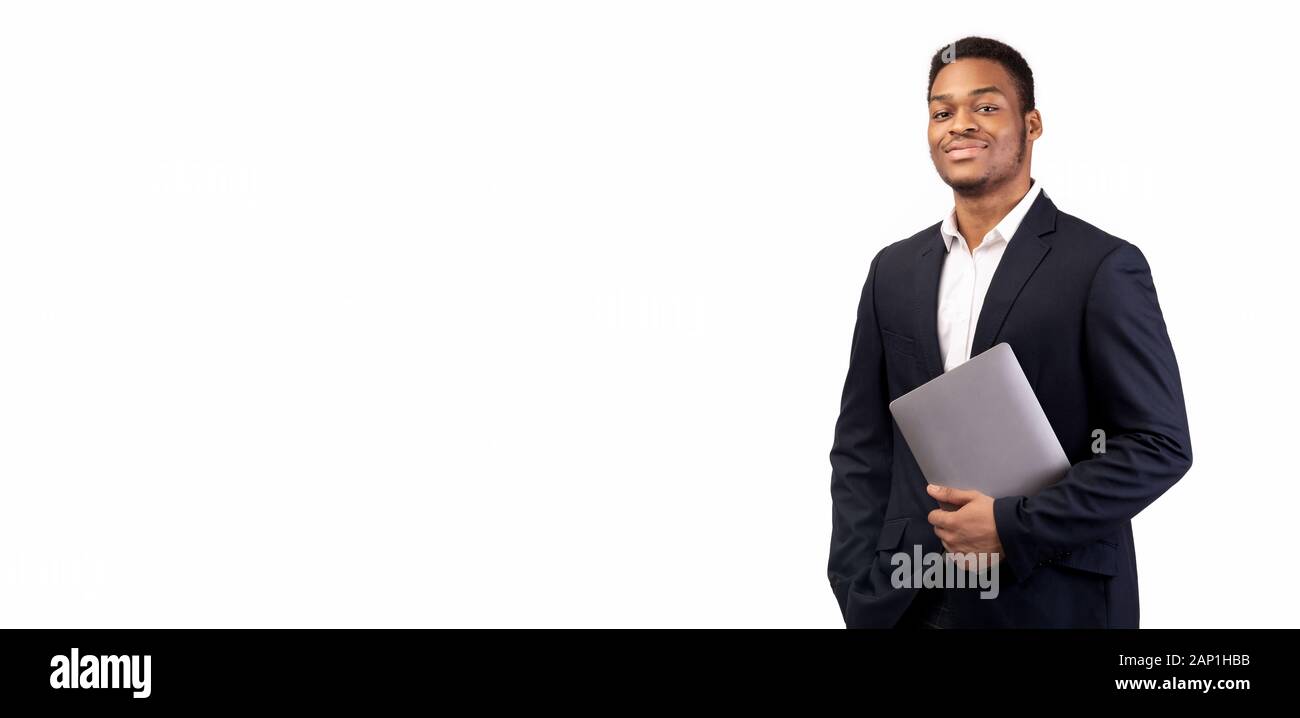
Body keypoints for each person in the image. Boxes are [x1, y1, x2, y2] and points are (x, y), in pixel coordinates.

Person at [826, 36, 1193, 629]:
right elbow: (862, 444)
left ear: (1032, 124)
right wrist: (854, 581)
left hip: (1049, 597)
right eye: (942, 112)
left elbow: (1158, 446)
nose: (959, 125)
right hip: (910, 599)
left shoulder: (1101, 266)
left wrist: (1012, 525)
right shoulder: (891, 271)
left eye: (986, 107)